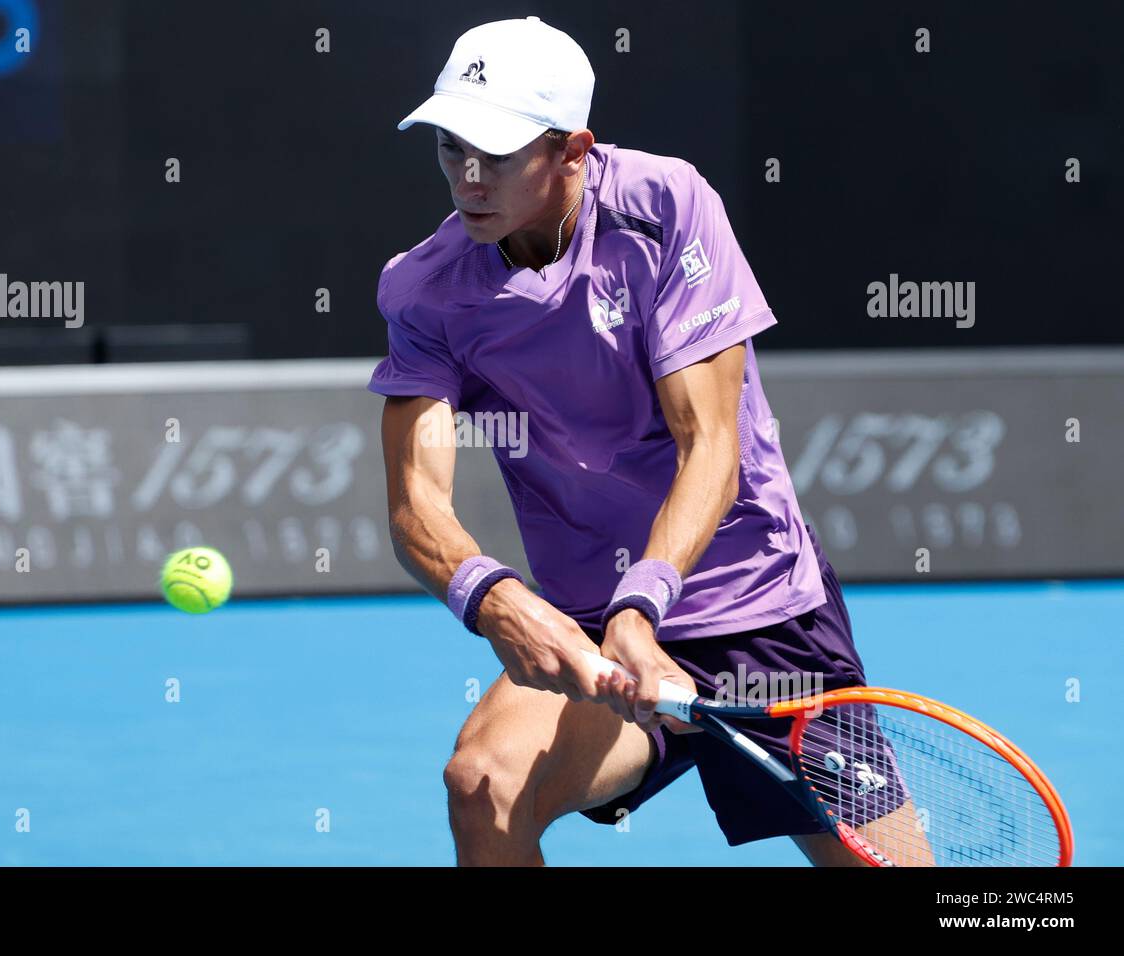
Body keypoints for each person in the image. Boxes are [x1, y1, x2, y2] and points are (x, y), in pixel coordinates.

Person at [368, 16, 877, 866]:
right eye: (452, 146)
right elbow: (415, 505)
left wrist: (644, 603)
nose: (468, 175)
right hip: (589, 621)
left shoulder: (666, 207)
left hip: (757, 609)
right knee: (483, 784)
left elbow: (709, 444)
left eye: (496, 152)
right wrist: (500, 601)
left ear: (573, 150)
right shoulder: (424, 289)